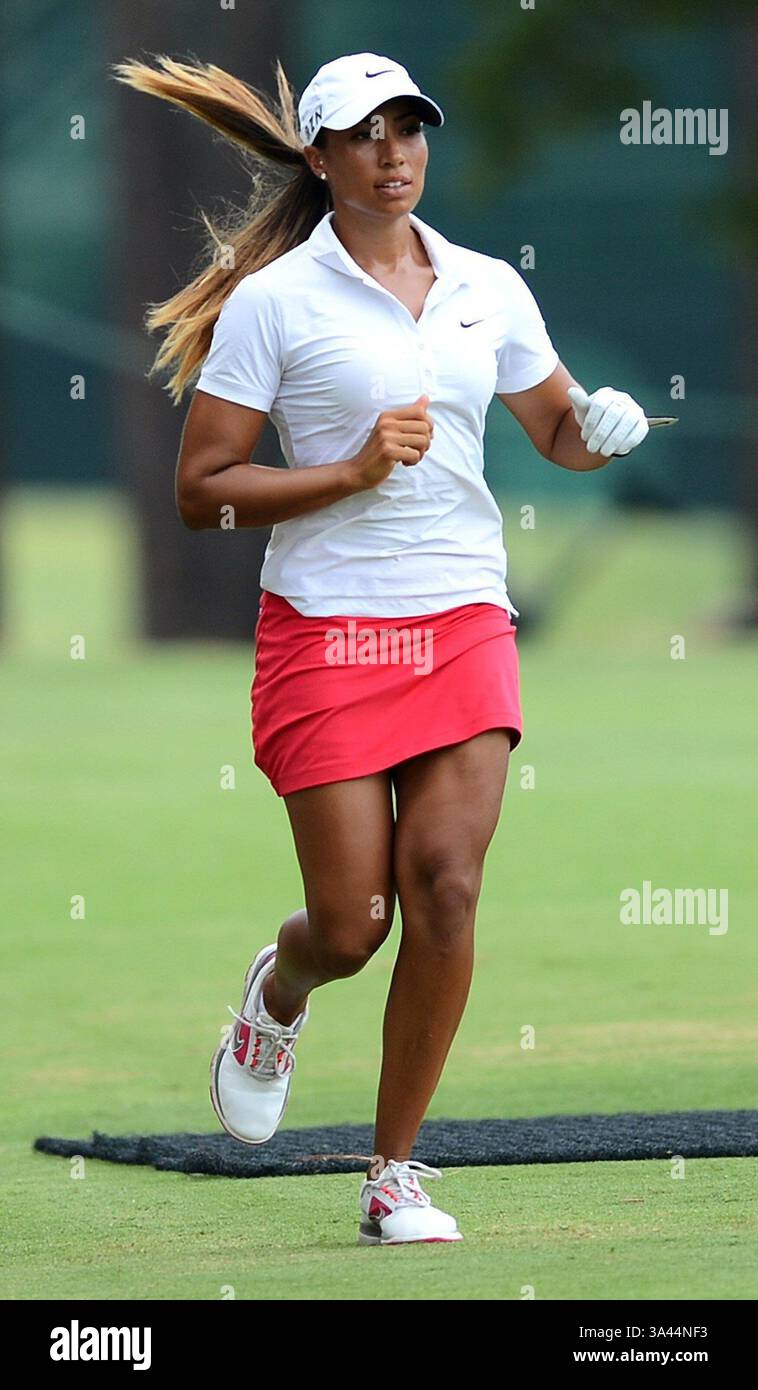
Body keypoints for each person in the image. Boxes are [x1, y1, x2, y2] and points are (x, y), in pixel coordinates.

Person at [113, 50, 650, 1246]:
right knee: (354, 922)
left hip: (460, 613)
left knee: (445, 888)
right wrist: (351, 469)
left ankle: (393, 1173)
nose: (392, 151)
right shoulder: (272, 304)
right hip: (326, 628)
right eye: (363, 134)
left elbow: (553, 429)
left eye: (408, 129)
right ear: (319, 156)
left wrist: (594, 428)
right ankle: (282, 988)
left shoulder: (485, 287)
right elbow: (206, 494)